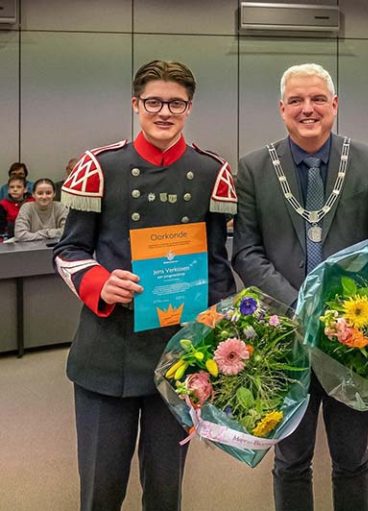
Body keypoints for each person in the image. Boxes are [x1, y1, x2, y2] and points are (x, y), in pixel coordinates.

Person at [53, 59, 237, 511]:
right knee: (101, 488)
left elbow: (216, 266)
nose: (164, 112)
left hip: (176, 354)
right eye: (153, 101)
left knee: (166, 490)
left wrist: (219, 332)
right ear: (136, 104)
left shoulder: (211, 170)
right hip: (107, 348)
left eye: (176, 103)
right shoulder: (100, 165)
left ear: (189, 108)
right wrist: (99, 281)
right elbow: (67, 251)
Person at [232, 63, 368, 511]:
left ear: (335, 105)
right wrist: (302, 307)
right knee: (290, 459)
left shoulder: (367, 161)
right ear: (282, 109)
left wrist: (340, 312)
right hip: (285, 338)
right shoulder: (252, 168)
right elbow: (246, 252)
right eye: (298, 101)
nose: (309, 109)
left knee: (351, 458)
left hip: (354, 340)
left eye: (318, 99)